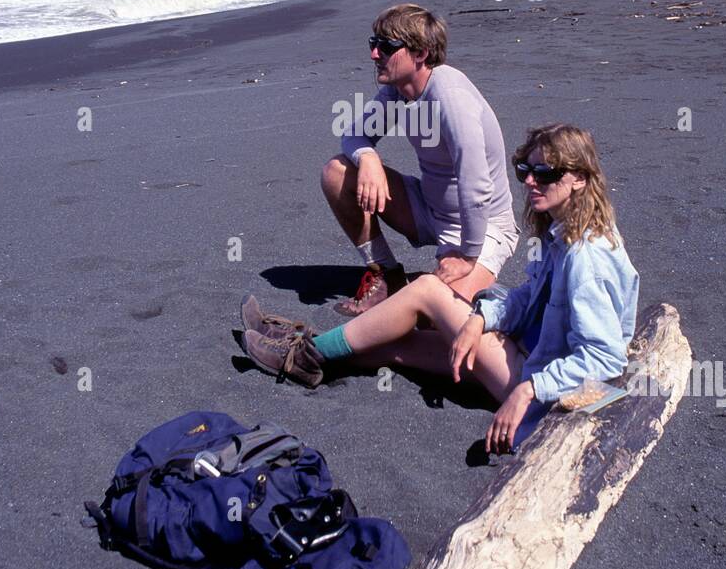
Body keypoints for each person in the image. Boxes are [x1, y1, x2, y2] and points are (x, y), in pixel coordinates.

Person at [241, 123, 640, 455]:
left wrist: (529, 390)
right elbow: (527, 298)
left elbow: (605, 358)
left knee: (428, 289)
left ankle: (303, 354)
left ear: (580, 179)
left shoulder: (588, 257)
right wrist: (481, 319)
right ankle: (308, 354)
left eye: (546, 173)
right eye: (525, 170)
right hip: (530, 350)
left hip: (539, 382)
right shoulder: (562, 234)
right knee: (401, 346)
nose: (531, 182)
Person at [322, 3, 519, 316]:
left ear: (421, 53)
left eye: (386, 47)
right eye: (374, 44)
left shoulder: (451, 97)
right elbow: (353, 136)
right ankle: (386, 274)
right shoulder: (400, 90)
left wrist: (467, 255)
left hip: (482, 226)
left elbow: (477, 186)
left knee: (439, 316)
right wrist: (369, 157)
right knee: (337, 171)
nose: (375, 55)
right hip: (428, 210)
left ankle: (437, 289)